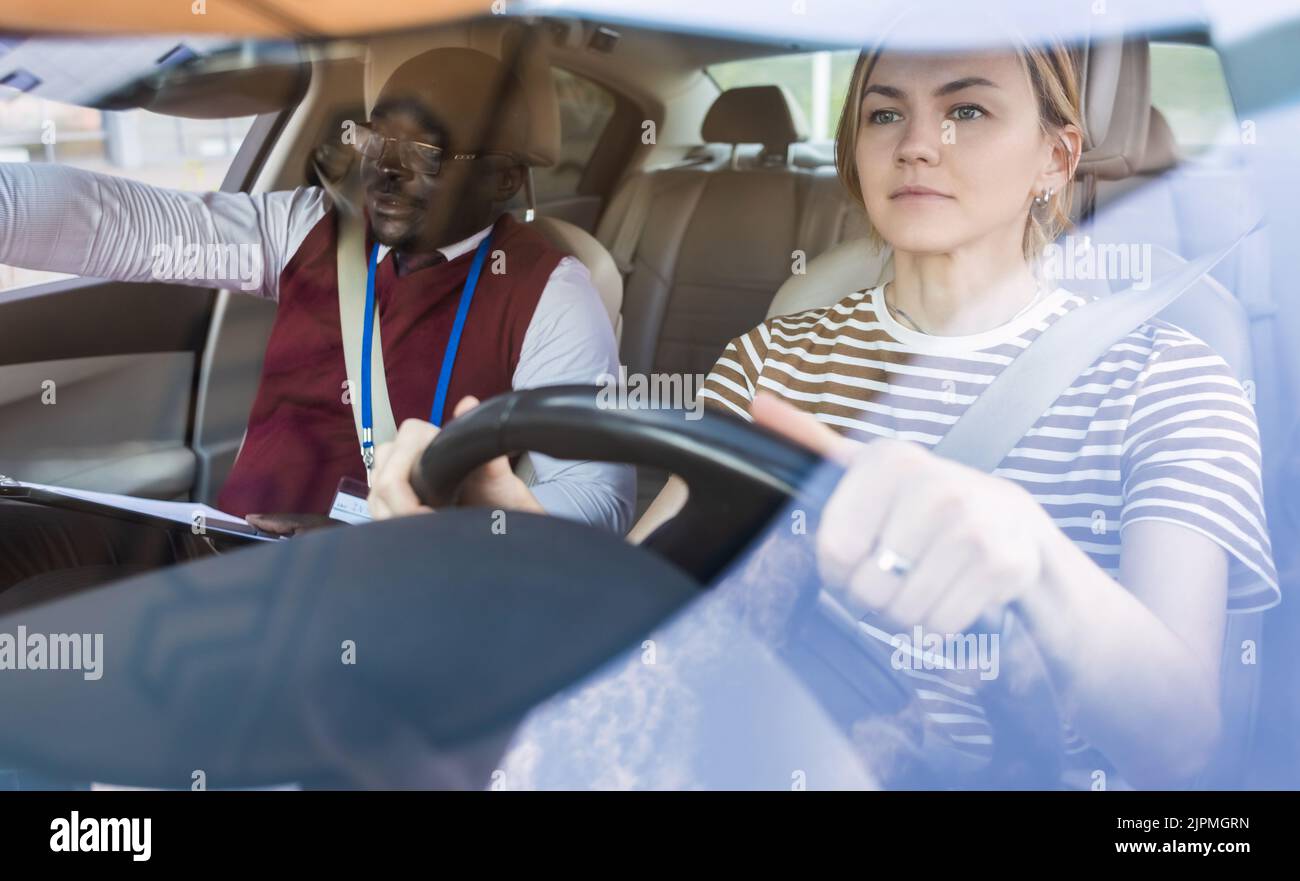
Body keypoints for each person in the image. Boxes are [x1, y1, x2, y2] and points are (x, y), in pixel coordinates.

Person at [605, 37, 1274, 789]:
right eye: (885, 113)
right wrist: (513, 540)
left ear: (1055, 159)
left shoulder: (1169, 379)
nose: (919, 145)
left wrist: (1038, 561)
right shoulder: (769, 360)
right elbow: (637, 620)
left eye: (966, 109)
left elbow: (1185, 743)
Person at [0, 47, 633, 598]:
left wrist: (437, 526)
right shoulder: (312, 227)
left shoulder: (552, 291)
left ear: (504, 178)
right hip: (226, 543)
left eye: (427, 153)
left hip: (384, 588)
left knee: (55, 617)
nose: (384, 170)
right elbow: (122, 222)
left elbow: (597, 501)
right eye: (378, 138)